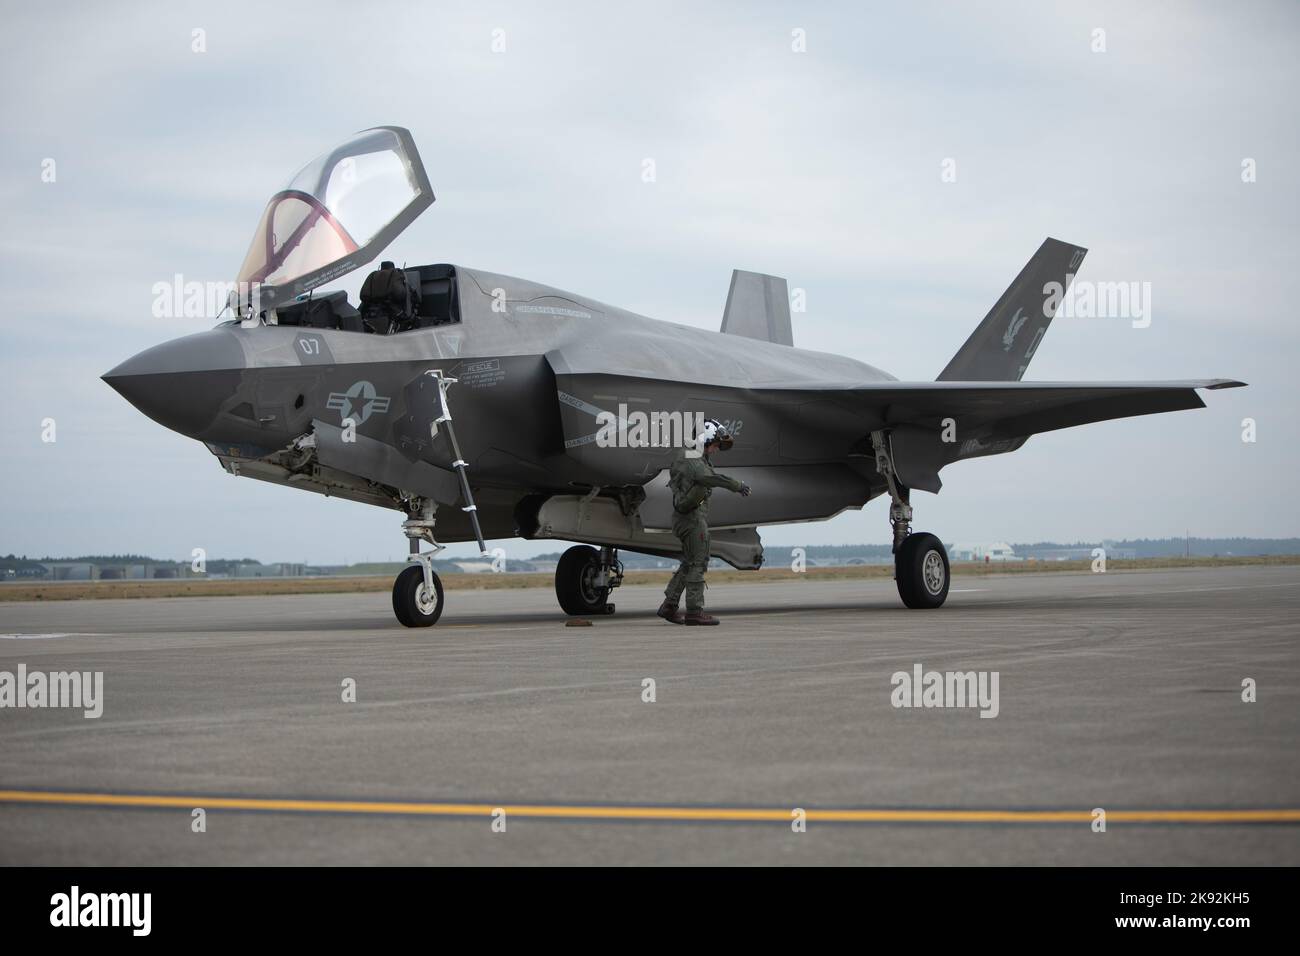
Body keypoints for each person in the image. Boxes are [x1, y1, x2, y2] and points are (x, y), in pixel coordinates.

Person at [657, 419, 751, 626]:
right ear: (705, 439)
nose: (716, 449)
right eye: (716, 444)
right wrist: (736, 485)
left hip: (688, 517)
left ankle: (669, 606)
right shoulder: (692, 457)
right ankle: (694, 611)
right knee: (699, 562)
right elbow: (706, 477)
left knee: (690, 563)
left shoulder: (693, 455)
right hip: (691, 519)